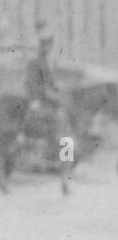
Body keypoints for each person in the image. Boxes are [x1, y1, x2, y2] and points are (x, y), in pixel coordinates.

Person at [26, 25, 72, 195]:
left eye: (49, 45)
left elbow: (51, 84)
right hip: (37, 100)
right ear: (40, 46)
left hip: (48, 99)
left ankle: (65, 177)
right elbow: (33, 84)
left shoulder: (48, 63)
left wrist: (59, 90)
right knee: (61, 125)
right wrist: (41, 97)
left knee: (67, 137)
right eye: (45, 45)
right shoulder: (34, 62)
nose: (47, 48)